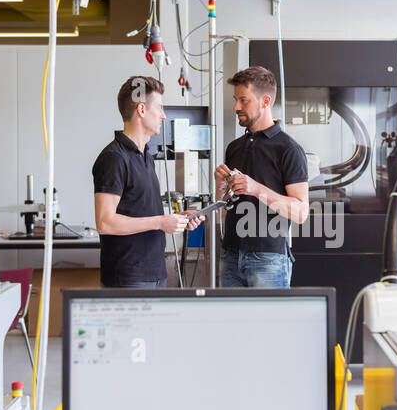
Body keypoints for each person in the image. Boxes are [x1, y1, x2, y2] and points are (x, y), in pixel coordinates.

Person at [92, 75, 201, 288]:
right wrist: (161, 222)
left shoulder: (145, 156)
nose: (163, 115)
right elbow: (105, 222)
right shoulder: (114, 158)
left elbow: (141, 212)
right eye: (159, 108)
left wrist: (177, 219)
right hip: (129, 277)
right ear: (142, 110)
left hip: (154, 272)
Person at [215, 66, 309, 288]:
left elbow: (301, 212)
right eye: (235, 99)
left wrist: (256, 189)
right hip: (230, 255)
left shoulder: (288, 149)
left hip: (268, 260)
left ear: (265, 101)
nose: (236, 107)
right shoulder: (234, 147)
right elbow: (224, 208)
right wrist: (220, 187)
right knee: (231, 324)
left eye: (243, 100)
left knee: (270, 324)